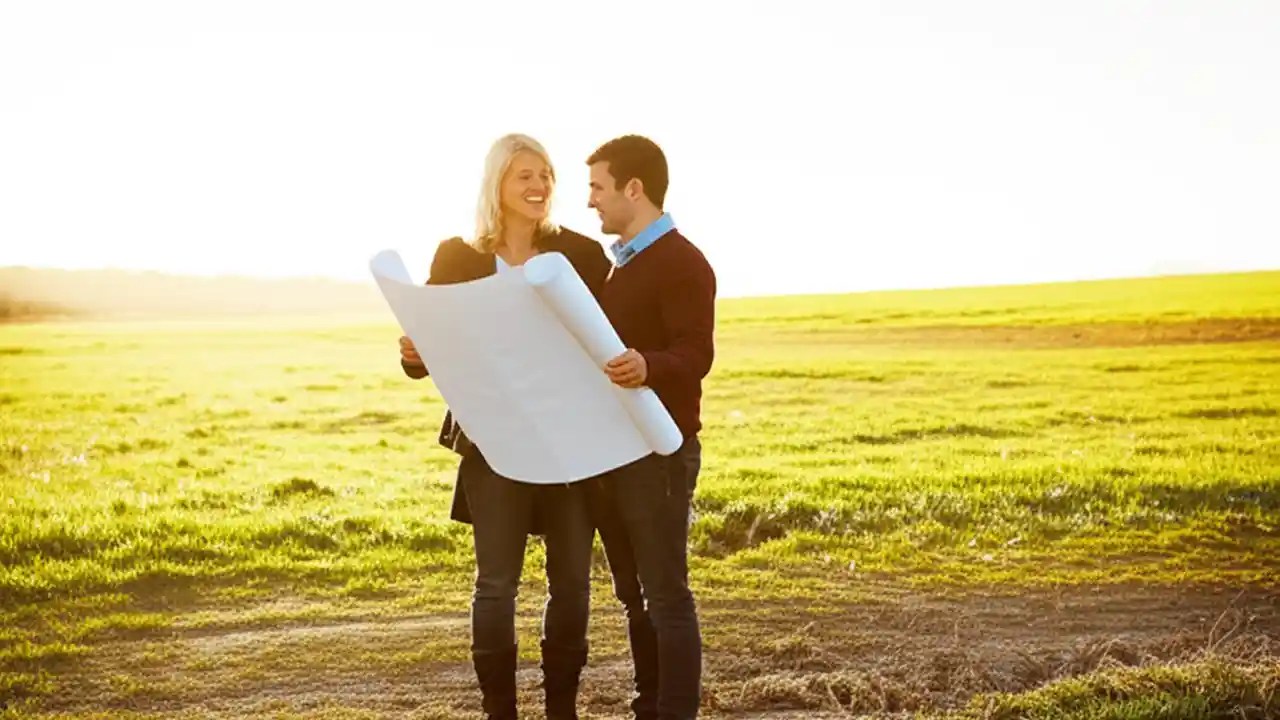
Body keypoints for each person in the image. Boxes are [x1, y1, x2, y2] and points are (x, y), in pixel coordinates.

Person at [399, 133, 611, 720]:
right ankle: (500, 710)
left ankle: (561, 709)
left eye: (545, 174)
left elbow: (603, 345)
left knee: (571, 581)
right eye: (525, 175)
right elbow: (429, 351)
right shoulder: (456, 256)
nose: (539, 185)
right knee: (495, 583)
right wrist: (415, 354)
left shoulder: (584, 255)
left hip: (571, 442)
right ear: (498, 183)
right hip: (491, 441)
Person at [587, 135, 717, 719]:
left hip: (660, 453)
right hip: (615, 452)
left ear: (633, 189)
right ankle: (649, 704)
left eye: (598, 187)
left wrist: (648, 365)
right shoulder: (623, 265)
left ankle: (676, 712)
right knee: (632, 594)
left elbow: (696, 354)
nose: (591, 201)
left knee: (665, 595)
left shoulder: (684, 262)